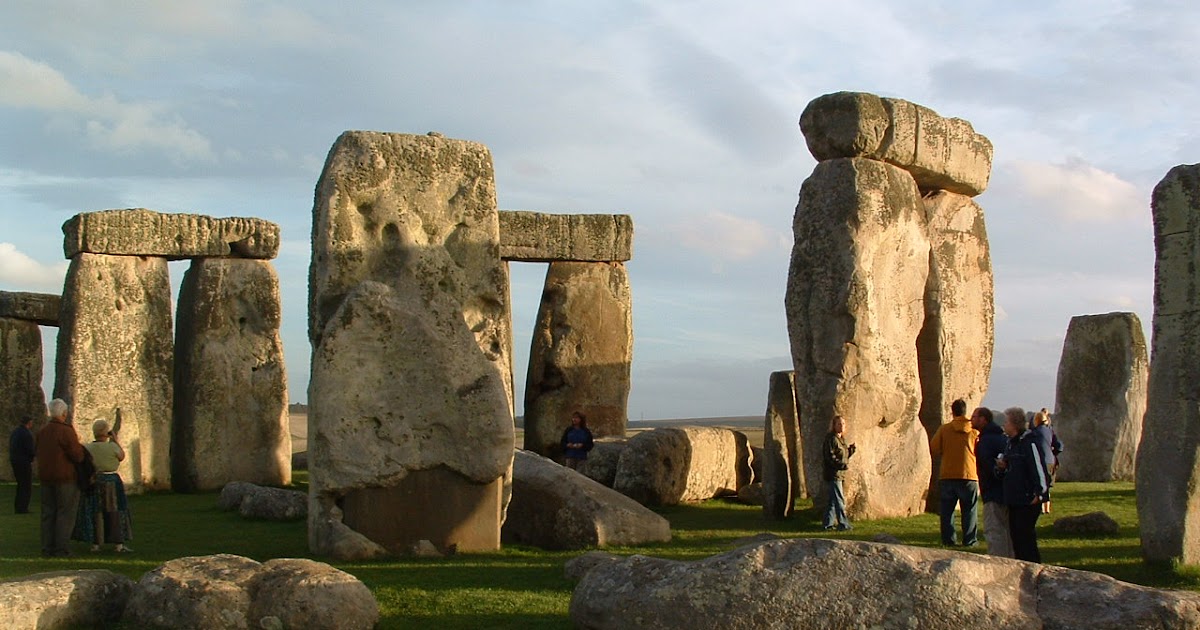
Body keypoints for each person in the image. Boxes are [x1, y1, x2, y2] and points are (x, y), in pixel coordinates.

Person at [996, 406, 1050, 562]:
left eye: (1006, 421)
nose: (1004, 425)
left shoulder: (1028, 443)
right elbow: (1007, 472)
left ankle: (1033, 570)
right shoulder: (1011, 444)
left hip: (1027, 499)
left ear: (1014, 424)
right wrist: (1002, 467)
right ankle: (1023, 570)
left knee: (1026, 540)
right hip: (1014, 498)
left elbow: (1038, 468)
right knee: (1017, 540)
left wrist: (1040, 494)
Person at [73, 419, 133, 552]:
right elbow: (121, 456)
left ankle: (96, 543)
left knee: (95, 511)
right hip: (111, 479)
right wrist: (115, 439)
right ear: (107, 433)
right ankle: (118, 543)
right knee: (115, 511)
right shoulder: (112, 447)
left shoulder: (88, 448)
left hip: (95, 480)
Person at [36, 398, 85, 557]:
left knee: (48, 513)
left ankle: (47, 547)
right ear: (64, 413)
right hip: (65, 477)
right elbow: (77, 455)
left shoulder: (42, 431)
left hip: (45, 476)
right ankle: (61, 547)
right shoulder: (66, 431)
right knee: (65, 513)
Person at [929, 399, 980, 547]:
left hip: (948, 474)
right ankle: (970, 540)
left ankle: (949, 540)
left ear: (952, 411)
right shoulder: (974, 431)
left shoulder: (944, 429)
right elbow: (979, 450)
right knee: (969, 510)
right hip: (969, 474)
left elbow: (934, 448)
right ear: (966, 412)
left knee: (947, 511)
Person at [971, 407, 1012, 557]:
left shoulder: (985, 441)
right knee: (1007, 530)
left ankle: (998, 561)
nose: (971, 419)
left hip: (992, 491)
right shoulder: (1002, 438)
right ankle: (1011, 559)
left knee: (994, 529)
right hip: (1006, 490)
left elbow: (989, 466)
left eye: (974, 417)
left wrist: (991, 482)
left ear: (983, 419)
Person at [821, 415, 855, 531]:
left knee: (832, 500)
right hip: (833, 474)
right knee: (839, 500)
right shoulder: (831, 439)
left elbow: (842, 456)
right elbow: (830, 457)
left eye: (843, 424)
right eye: (839, 424)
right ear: (834, 426)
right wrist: (840, 465)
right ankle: (843, 524)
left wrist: (850, 451)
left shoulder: (841, 439)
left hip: (839, 474)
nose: (842, 426)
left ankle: (827, 524)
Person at [9, 416, 35, 514]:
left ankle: (18, 506)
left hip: (15, 460)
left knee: (21, 484)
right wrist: (32, 456)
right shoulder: (26, 434)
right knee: (26, 485)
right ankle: (23, 507)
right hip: (24, 462)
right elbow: (30, 449)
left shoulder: (16, 432)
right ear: (29, 422)